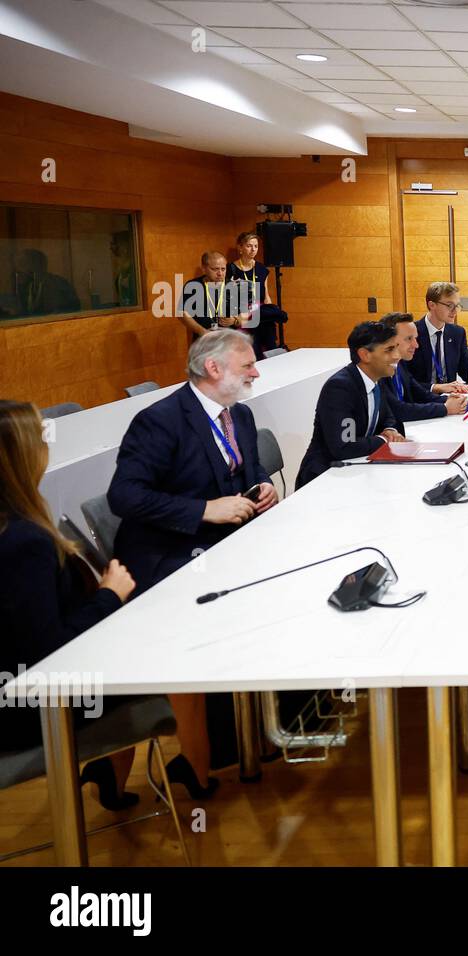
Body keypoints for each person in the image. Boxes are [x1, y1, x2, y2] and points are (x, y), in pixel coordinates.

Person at [107, 330, 277, 796]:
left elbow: (247, 469)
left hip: (222, 543)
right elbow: (124, 496)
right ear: (214, 369)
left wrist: (262, 486)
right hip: (166, 553)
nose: (257, 372)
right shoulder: (160, 421)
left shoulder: (237, 414)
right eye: (248, 366)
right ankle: (209, 751)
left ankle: (255, 732)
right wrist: (204, 509)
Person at [0, 400, 141, 810]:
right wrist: (109, 595)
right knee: (164, 665)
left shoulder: (18, 528)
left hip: (21, 689)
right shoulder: (24, 542)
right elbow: (49, 650)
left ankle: (110, 778)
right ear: (21, 454)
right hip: (31, 709)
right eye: (41, 436)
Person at [296, 321, 406, 490]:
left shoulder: (376, 379)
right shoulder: (340, 388)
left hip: (356, 472)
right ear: (365, 354)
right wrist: (384, 439)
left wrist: (390, 430)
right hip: (324, 480)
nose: (397, 355)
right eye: (389, 349)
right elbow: (344, 446)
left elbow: (388, 416)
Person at [379, 312, 468, 422]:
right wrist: (445, 408)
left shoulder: (400, 364)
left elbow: (421, 394)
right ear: (389, 340)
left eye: (415, 338)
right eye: (409, 339)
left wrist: (454, 400)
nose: (416, 345)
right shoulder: (378, 370)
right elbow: (398, 410)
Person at [177, 252, 250, 342]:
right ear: (204, 269)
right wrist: (203, 332)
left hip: (229, 341)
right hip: (203, 341)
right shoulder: (193, 286)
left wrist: (235, 320)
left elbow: (247, 315)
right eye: (215, 269)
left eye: (223, 269)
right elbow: (182, 313)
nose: (220, 273)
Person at [226, 231, 276, 358]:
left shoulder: (261, 268)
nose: (253, 249)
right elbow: (226, 298)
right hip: (241, 317)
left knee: (267, 351)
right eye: (249, 246)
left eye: (256, 246)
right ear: (240, 247)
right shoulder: (230, 269)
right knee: (249, 354)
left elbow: (266, 294)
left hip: (260, 316)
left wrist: (269, 312)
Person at [10, 249, 80, 317]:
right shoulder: (24, 285)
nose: (16, 270)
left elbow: (72, 309)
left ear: (35, 266)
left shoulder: (59, 284)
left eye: (22, 264)